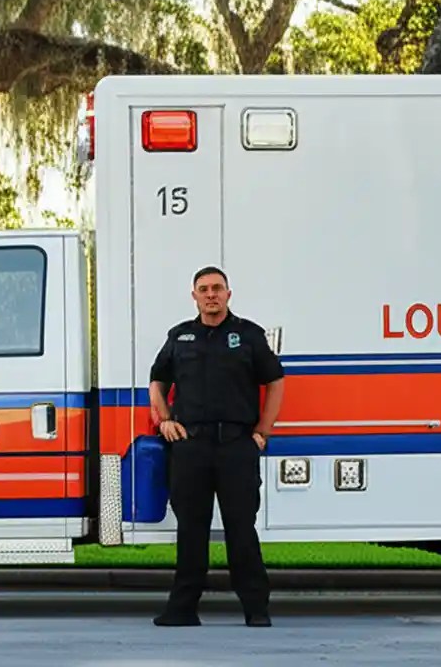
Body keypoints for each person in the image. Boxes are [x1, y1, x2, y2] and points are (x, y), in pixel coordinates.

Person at [147, 266, 285, 627]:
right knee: (191, 530)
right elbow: (157, 380)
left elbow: (276, 381)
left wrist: (262, 432)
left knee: (242, 529)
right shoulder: (180, 337)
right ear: (194, 296)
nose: (211, 294)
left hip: (237, 446)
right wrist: (165, 421)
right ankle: (182, 609)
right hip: (190, 447)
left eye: (217, 288)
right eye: (204, 289)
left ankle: (256, 609)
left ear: (228, 294)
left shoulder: (249, 335)